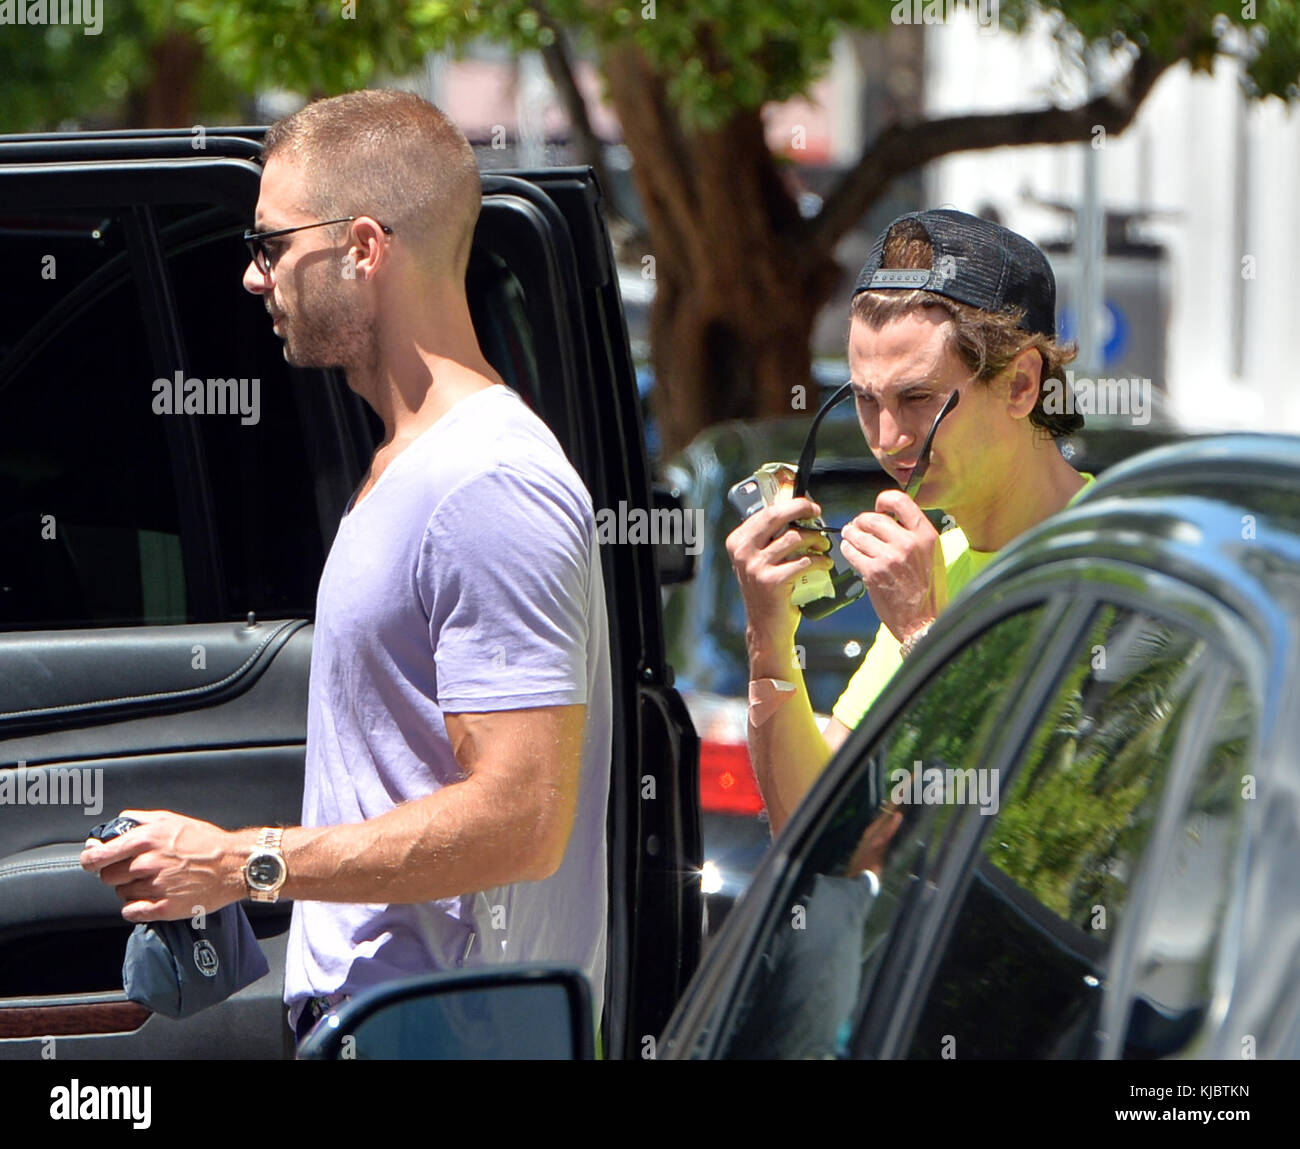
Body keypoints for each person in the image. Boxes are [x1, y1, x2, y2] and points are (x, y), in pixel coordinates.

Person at [80, 90, 612, 1041]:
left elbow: (524, 817)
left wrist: (244, 861)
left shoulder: (485, 483)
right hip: (396, 1022)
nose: (253, 277)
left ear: (364, 247)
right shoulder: (412, 465)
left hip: (450, 1031)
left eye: (270, 244)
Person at [727, 208, 1093, 836]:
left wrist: (925, 631)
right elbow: (816, 831)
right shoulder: (938, 562)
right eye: (865, 401)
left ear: (1021, 385)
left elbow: (1055, 836)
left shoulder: (1118, 560)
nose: (888, 439)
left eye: (918, 399)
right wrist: (769, 645)